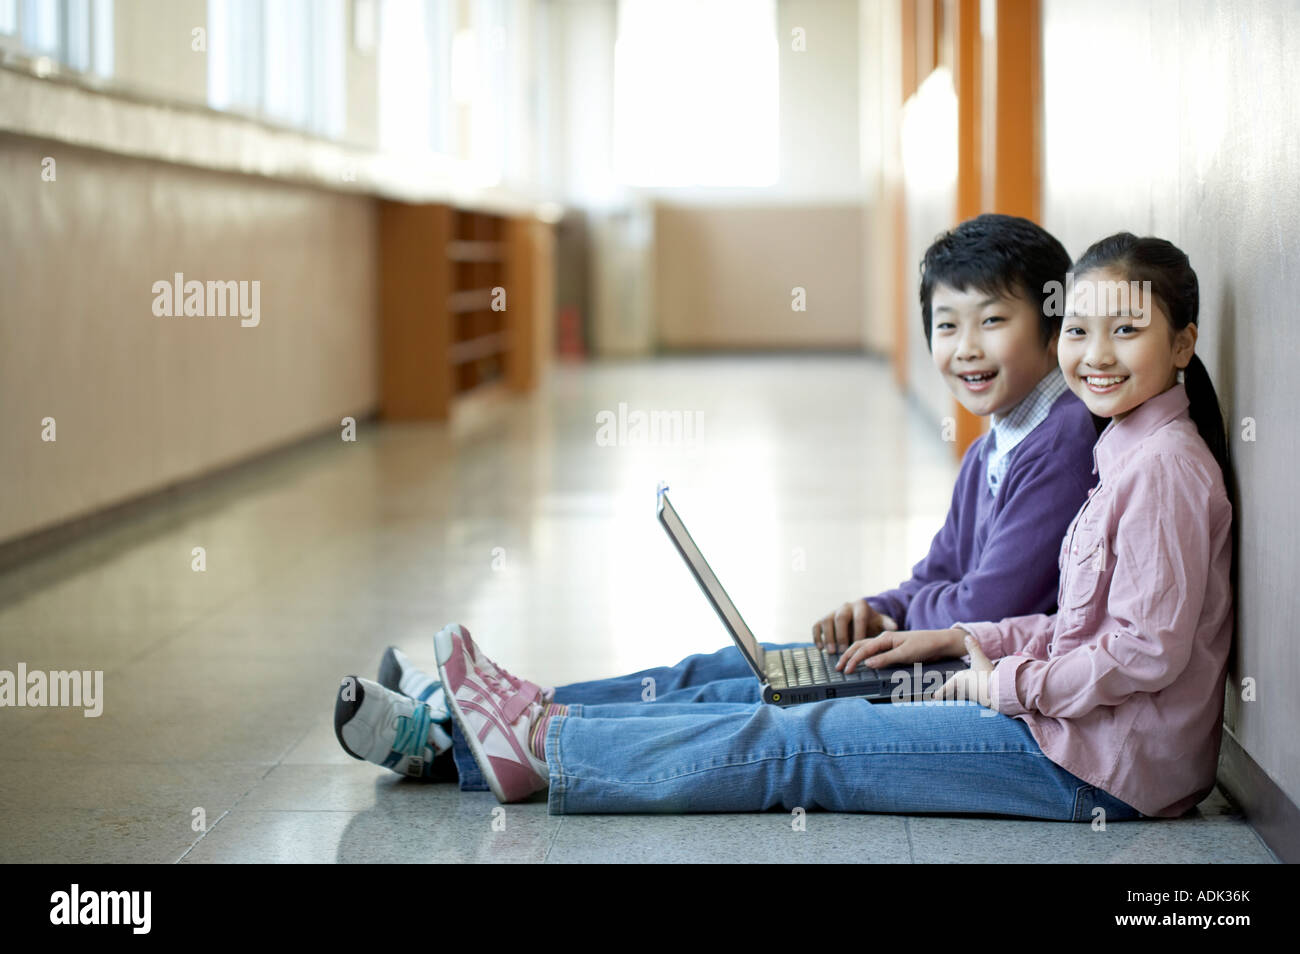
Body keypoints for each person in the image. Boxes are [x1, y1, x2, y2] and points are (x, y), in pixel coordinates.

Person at [330, 215, 1110, 810]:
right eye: (946, 325)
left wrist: (907, 621)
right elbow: (942, 576)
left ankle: (462, 738)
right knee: (718, 670)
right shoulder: (996, 442)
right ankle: (472, 724)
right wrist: (882, 608)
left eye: (992, 321)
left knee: (754, 707)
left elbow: (984, 608)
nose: (965, 348)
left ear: (1053, 321)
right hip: (945, 659)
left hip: (976, 682)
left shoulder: (1064, 435)